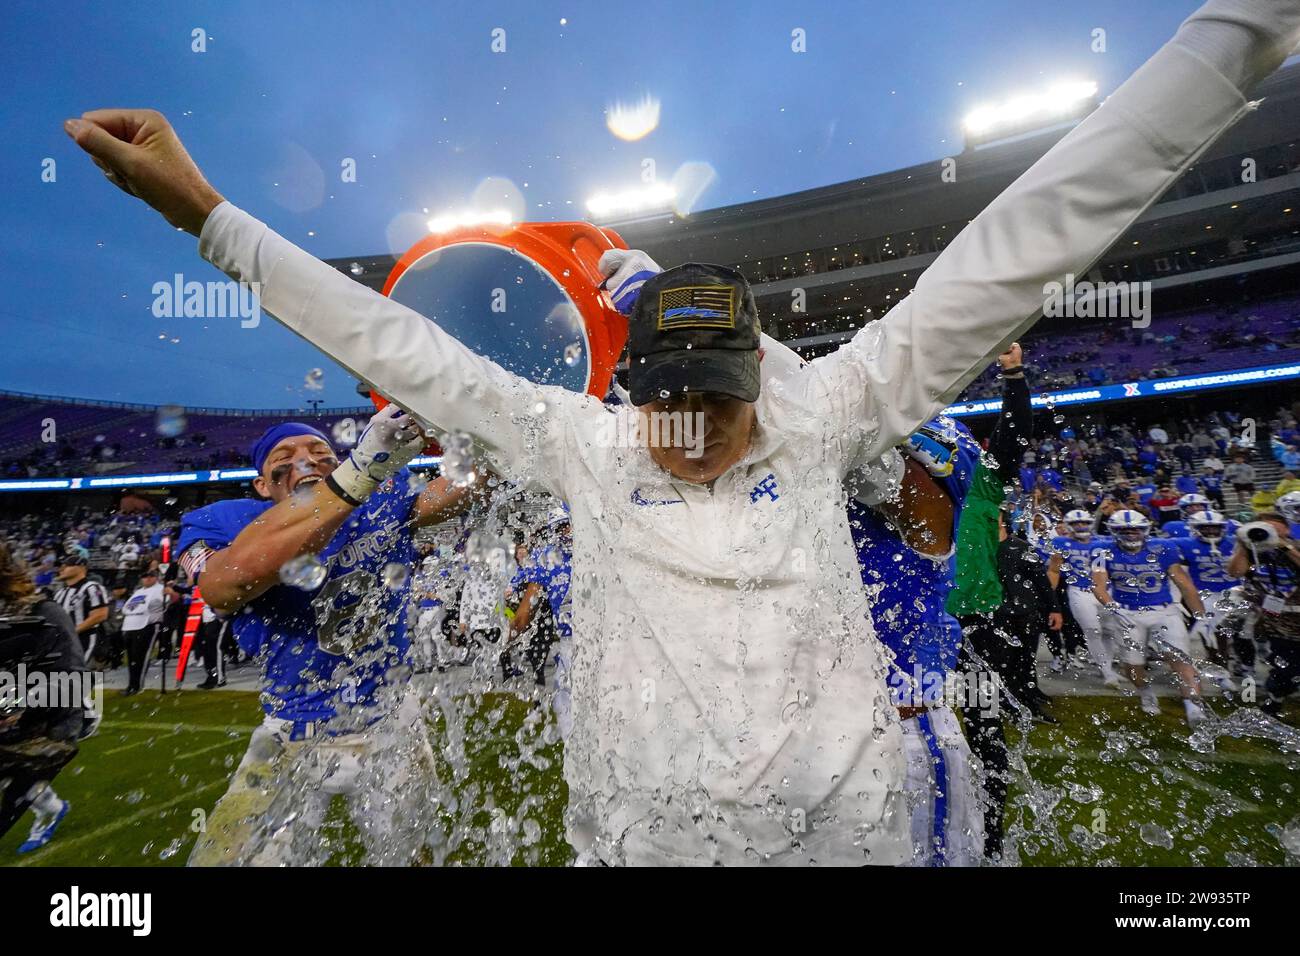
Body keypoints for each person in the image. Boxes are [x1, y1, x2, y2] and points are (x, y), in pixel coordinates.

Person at [68, 0, 1300, 864]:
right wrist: (208, 215)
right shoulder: (581, 446)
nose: (688, 430)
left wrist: (1245, 27)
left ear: (762, 379)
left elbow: (1036, 234)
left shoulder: (831, 409)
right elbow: (405, 353)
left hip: (858, 843)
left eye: (718, 401)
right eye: (664, 399)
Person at [177, 413, 477, 865]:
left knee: (415, 856)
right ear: (262, 486)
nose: (305, 460)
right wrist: (354, 478)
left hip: (389, 722)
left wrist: (482, 427)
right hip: (292, 729)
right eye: (286, 456)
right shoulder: (223, 521)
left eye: (321, 453)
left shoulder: (383, 493)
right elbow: (222, 587)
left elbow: (463, 492)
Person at [0, 542, 88, 853]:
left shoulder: (43, 613)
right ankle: (52, 808)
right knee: (18, 785)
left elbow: (71, 682)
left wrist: (18, 705)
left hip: (49, 722)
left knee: (16, 789)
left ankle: (44, 811)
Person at [1091, 510, 1210, 726]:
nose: (1131, 535)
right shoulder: (1102, 550)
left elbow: (1184, 583)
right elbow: (1098, 585)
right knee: (1132, 665)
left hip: (1163, 610)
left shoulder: (1163, 547)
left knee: (1181, 659)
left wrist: (1201, 616)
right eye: (1124, 531)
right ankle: (1145, 691)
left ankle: (1193, 705)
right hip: (1126, 612)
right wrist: (1112, 607)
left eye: (1136, 530)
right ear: (1113, 532)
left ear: (1145, 530)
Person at [1227, 513, 1300, 717]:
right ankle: (1273, 698)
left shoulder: (1295, 545)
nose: (1270, 533)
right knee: (1286, 666)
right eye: (1264, 528)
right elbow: (1235, 572)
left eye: (1275, 529)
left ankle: (1276, 694)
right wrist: (1243, 543)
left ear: (1287, 529)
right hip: (1277, 621)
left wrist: (1283, 545)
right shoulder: (1253, 552)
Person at [1047, 509, 1119, 686]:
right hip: (1080, 590)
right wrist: (1049, 597)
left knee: (1110, 631)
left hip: (1106, 590)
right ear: (1068, 526)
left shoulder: (1104, 542)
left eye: (1084, 523)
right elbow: (1054, 570)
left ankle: (1107, 666)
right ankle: (1107, 671)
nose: (1081, 526)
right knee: (1093, 631)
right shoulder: (1061, 543)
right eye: (1076, 523)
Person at [1175, 510, 1241, 688]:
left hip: (1235, 592)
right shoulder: (1185, 544)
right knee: (1212, 633)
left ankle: (1244, 665)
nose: (1211, 531)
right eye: (1206, 527)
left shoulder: (1236, 542)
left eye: (1215, 527)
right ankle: (1221, 671)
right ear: (1196, 529)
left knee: (1243, 634)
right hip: (1204, 594)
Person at [51, 548, 110, 665]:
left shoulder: (91, 587)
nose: (61, 569)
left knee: (78, 672)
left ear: (81, 568)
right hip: (63, 640)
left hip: (84, 638)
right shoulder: (60, 593)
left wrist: (72, 631)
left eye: (66, 565)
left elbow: (100, 614)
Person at [120, 567, 172, 695]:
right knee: (131, 657)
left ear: (156, 577)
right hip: (130, 625)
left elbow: (167, 603)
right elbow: (126, 608)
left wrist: (169, 594)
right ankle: (131, 684)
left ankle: (137, 686)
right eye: (145, 576)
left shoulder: (161, 589)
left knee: (140, 657)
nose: (148, 578)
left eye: (151, 576)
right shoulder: (138, 591)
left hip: (147, 625)